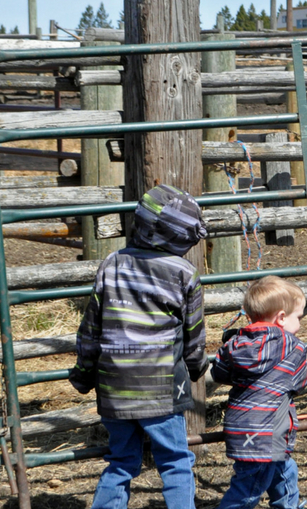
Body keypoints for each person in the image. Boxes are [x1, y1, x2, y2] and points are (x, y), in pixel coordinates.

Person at [70, 184, 209, 509]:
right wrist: (196, 367)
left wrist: (82, 374)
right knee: (176, 462)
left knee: (121, 462)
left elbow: (90, 328)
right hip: (160, 391)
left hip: (114, 388)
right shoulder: (184, 274)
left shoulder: (112, 264)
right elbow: (194, 335)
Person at [213, 275, 307, 509]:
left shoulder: (234, 344)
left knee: (283, 470)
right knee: (248, 490)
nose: (299, 324)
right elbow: (301, 382)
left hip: (240, 427)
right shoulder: (294, 347)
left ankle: (289, 505)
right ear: (281, 317)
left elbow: (219, 373)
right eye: (298, 317)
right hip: (270, 431)